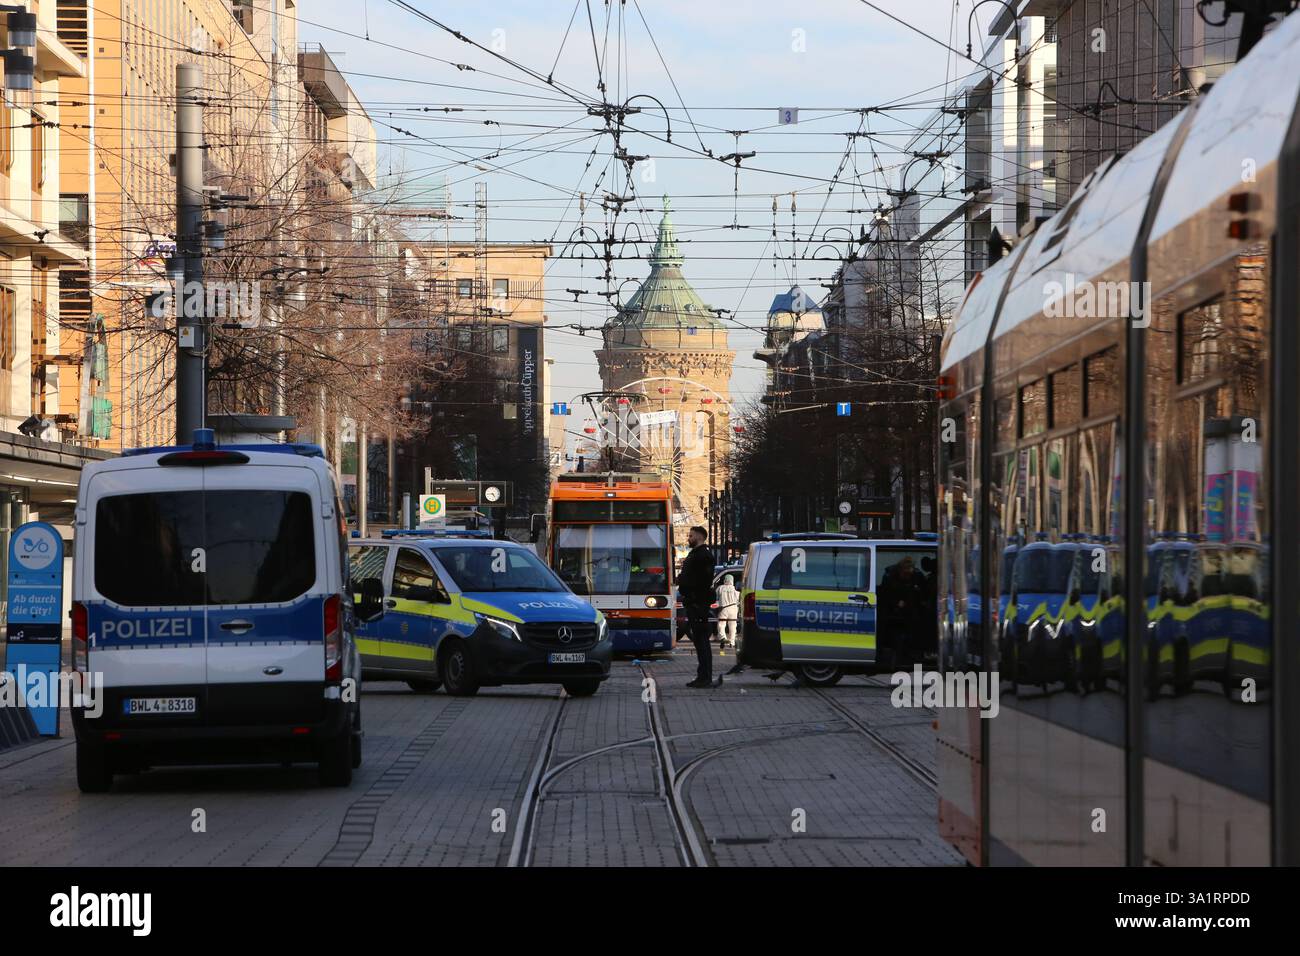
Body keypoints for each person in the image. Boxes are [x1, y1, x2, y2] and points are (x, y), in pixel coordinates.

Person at [678, 526, 719, 688]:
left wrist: (695, 597)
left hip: (698, 604)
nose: (688, 538)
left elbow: (703, 581)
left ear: (700, 537)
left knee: (701, 641)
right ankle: (703, 676)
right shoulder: (697, 554)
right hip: (694, 602)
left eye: (691, 536)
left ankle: (705, 677)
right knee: (699, 641)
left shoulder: (703, 556)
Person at [715, 573, 739, 648]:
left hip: (724, 608)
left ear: (725, 580)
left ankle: (723, 638)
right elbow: (738, 599)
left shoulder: (720, 588)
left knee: (721, 624)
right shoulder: (734, 589)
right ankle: (732, 642)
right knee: (732, 626)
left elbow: (716, 598)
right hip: (734, 608)